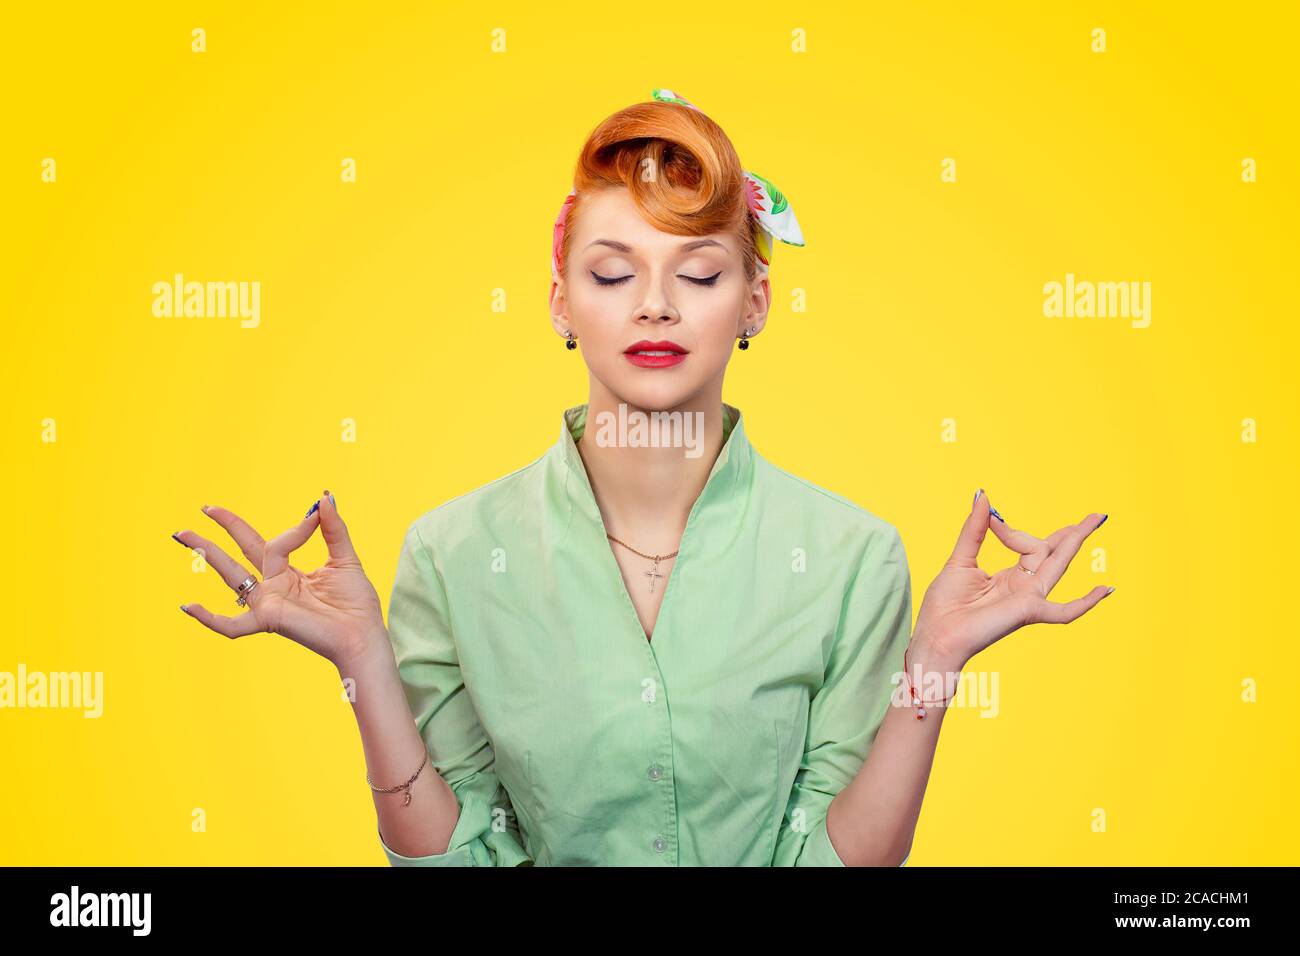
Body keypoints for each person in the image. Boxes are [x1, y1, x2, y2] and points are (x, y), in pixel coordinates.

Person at [173, 89, 1113, 866]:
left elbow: (833, 860)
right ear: (561, 303)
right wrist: (366, 666)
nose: (656, 305)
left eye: (698, 276)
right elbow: (459, 856)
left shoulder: (852, 557)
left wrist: (932, 666)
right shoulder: (455, 554)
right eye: (614, 273)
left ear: (754, 303)